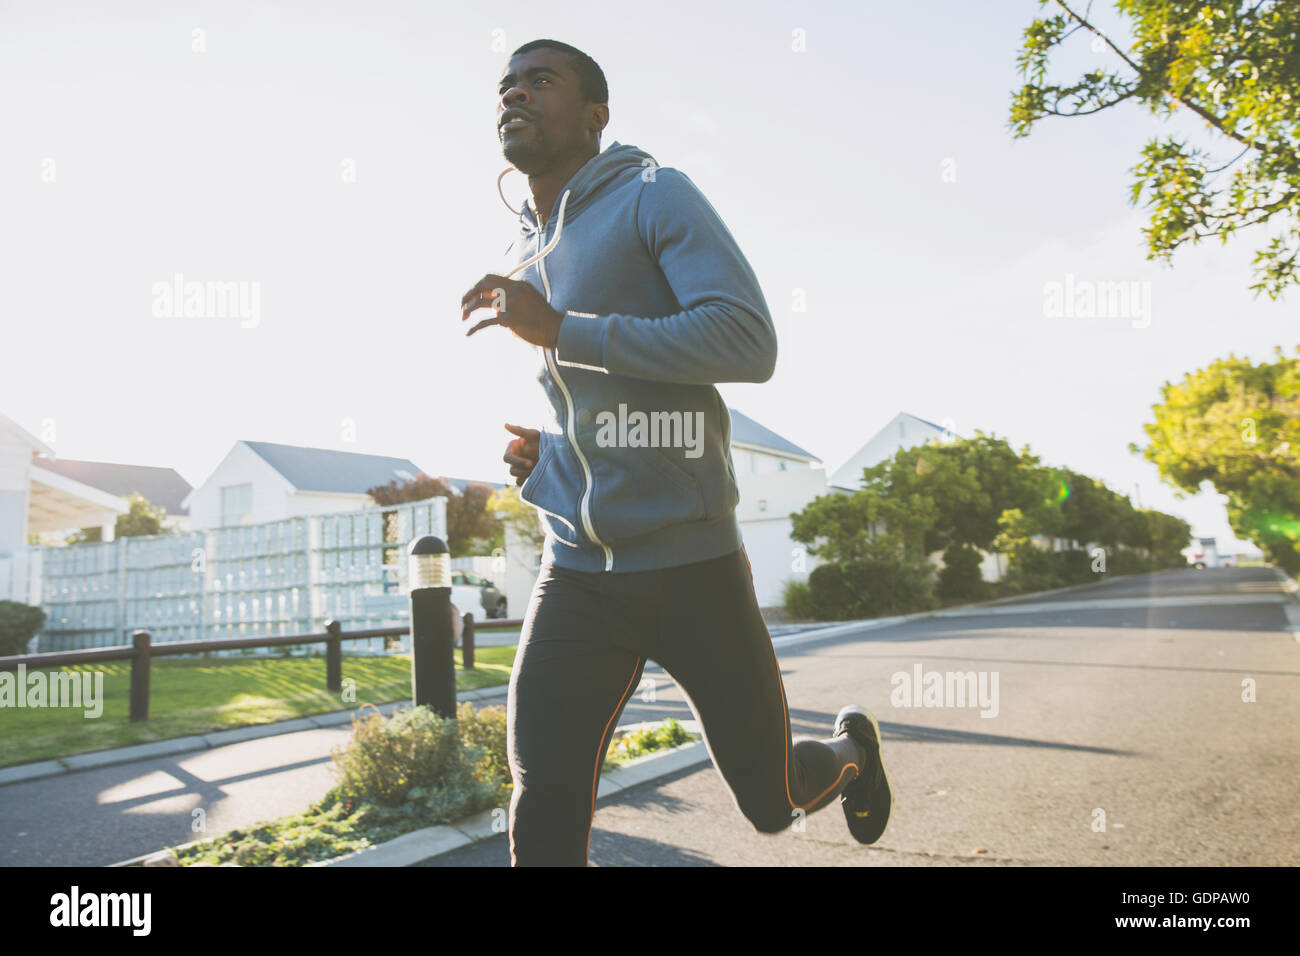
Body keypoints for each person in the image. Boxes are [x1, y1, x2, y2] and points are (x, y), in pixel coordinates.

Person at [460, 38, 892, 866]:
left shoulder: (657, 196)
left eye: (540, 81)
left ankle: (851, 755)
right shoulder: (527, 246)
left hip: (692, 566)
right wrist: (550, 461)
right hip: (579, 571)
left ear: (596, 116)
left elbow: (745, 340)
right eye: (506, 85)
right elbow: (603, 403)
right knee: (543, 797)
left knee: (772, 800)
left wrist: (560, 329)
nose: (515, 95)